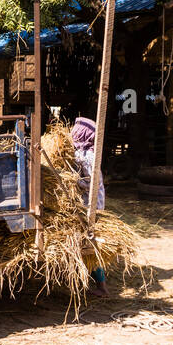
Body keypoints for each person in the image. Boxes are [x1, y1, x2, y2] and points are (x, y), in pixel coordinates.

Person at [72, 117, 110, 296]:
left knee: (89, 244)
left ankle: (102, 286)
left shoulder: (88, 156)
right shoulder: (83, 152)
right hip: (88, 203)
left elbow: (91, 183)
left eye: (76, 131)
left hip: (91, 204)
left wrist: (74, 180)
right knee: (87, 243)